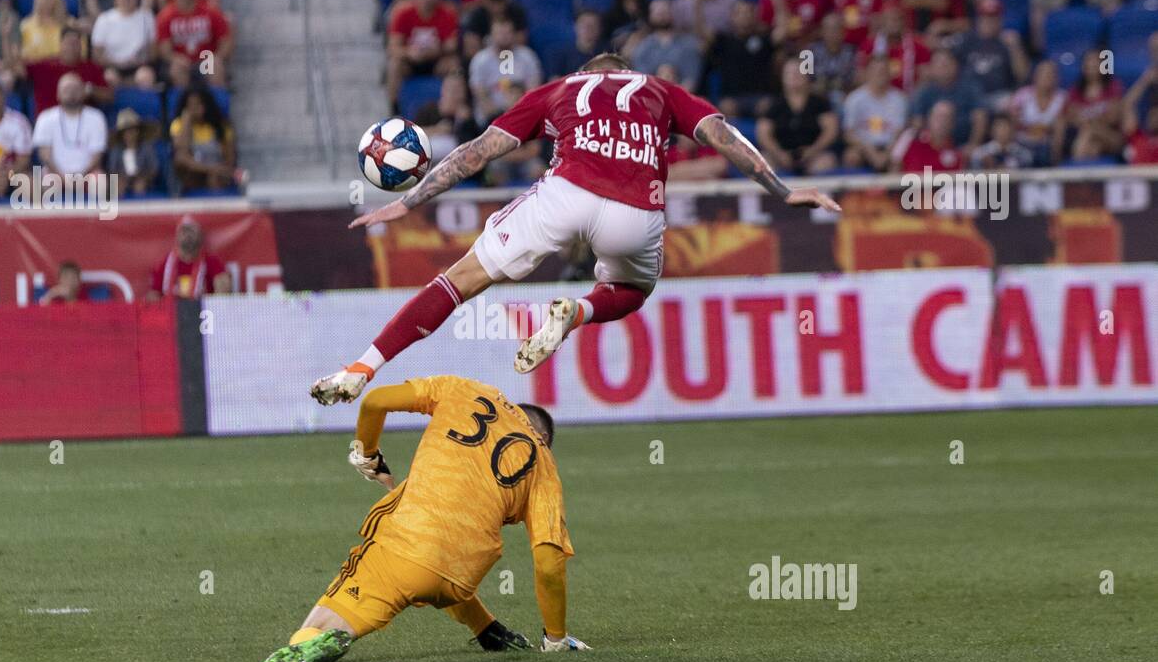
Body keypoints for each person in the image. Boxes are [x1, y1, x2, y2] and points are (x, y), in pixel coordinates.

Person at [310, 53, 840, 405]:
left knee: (458, 281)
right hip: (635, 212)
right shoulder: (660, 91)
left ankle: (362, 366)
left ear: (590, 72)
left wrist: (411, 201)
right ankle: (578, 311)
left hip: (566, 195)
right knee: (632, 291)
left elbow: (477, 153)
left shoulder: (559, 90)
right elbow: (724, 138)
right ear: (624, 72)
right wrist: (783, 189)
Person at [258, 375, 581, 662]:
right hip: (461, 576)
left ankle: (313, 639)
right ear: (544, 439)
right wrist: (555, 638)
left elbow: (376, 401)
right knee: (447, 544)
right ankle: (486, 628)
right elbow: (548, 563)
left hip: (405, 548)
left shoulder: (465, 390)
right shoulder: (545, 468)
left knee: (317, 627)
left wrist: (368, 453)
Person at [148, 214, 231, 298]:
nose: (188, 235)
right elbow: (154, 294)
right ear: (177, 236)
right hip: (172, 309)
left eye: (192, 231)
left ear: (200, 235)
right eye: (184, 231)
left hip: (202, 309)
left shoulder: (211, 261)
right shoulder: (165, 263)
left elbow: (224, 291)